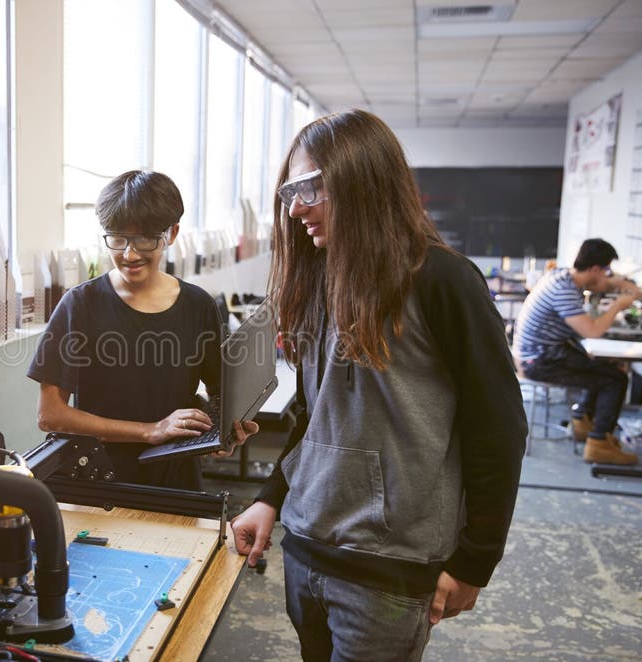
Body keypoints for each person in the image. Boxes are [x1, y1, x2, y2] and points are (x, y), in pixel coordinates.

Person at [229, 110, 527, 661]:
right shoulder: (321, 279)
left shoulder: (443, 280)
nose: (296, 208)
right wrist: (272, 498)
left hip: (388, 570)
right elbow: (316, 416)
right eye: (291, 191)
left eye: (309, 187)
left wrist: (474, 560)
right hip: (307, 549)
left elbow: (499, 427)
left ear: (361, 178)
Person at [27, 169, 256, 490]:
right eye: (117, 239)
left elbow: (223, 393)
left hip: (178, 480)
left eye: (145, 239)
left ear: (172, 233)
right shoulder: (79, 306)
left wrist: (225, 430)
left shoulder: (198, 305)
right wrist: (149, 430)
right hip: (101, 478)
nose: (129, 254)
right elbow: (50, 415)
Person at [513, 238, 641, 465]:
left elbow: (598, 287)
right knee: (616, 379)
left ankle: (583, 420)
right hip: (539, 362)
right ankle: (599, 444)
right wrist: (617, 305)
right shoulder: (564, 291)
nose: (608, 277)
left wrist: (617, 285)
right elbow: (591, 331)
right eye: (607, 271)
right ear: (595, 269)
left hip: (538, 355)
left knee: (606, 367)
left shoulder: (561, 276)